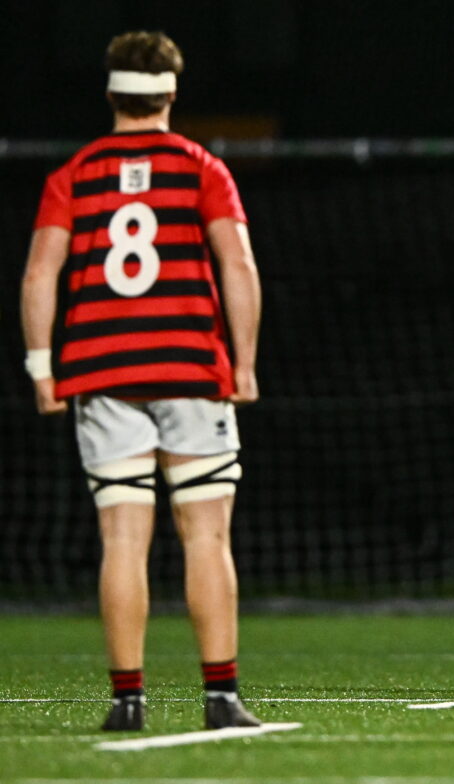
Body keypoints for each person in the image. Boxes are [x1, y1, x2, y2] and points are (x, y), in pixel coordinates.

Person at [20, 30, 263, 731]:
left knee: (122, 539)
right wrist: (243, 363)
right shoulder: (201, 168)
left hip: (102, 375)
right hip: (189, 371)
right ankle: (220, 698)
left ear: (110, 95)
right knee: (206, 537)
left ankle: (127, 701)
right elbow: (238, 266)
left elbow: (41, 274)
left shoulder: (74, 173)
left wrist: (44, 367)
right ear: (170, 95)